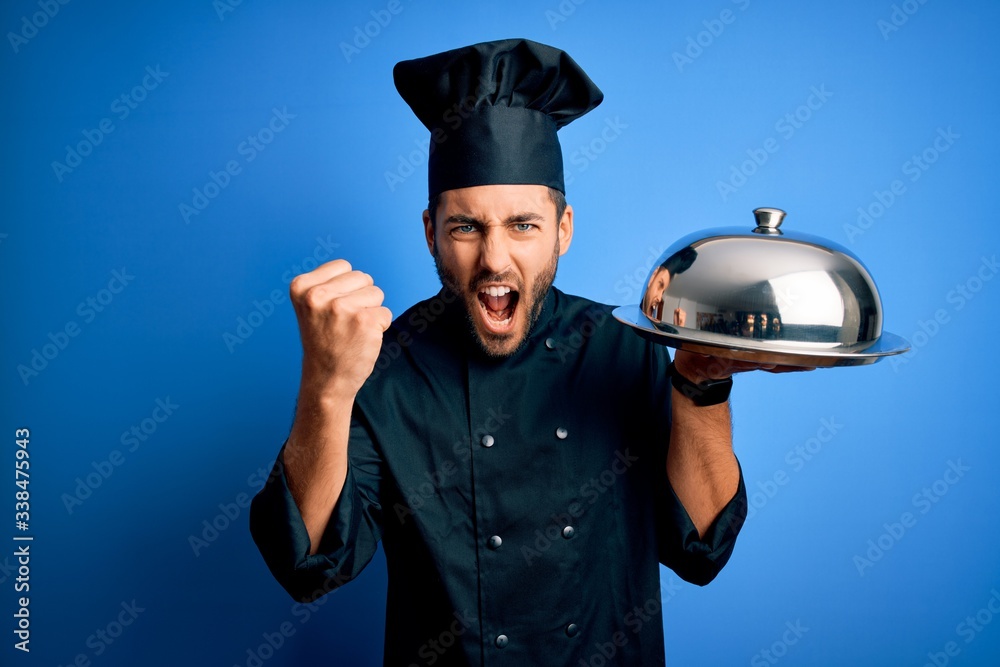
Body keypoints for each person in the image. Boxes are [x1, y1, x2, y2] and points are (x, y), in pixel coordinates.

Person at [250, 38, 794, 666]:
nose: (495, 258)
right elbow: (309, 563)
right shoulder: (383, 368)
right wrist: (324, 385)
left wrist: (700, 382)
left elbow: (701, 549)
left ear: (562, 228)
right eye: (466, 227)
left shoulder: (628, 347)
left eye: (522, 225)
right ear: (430, 232)